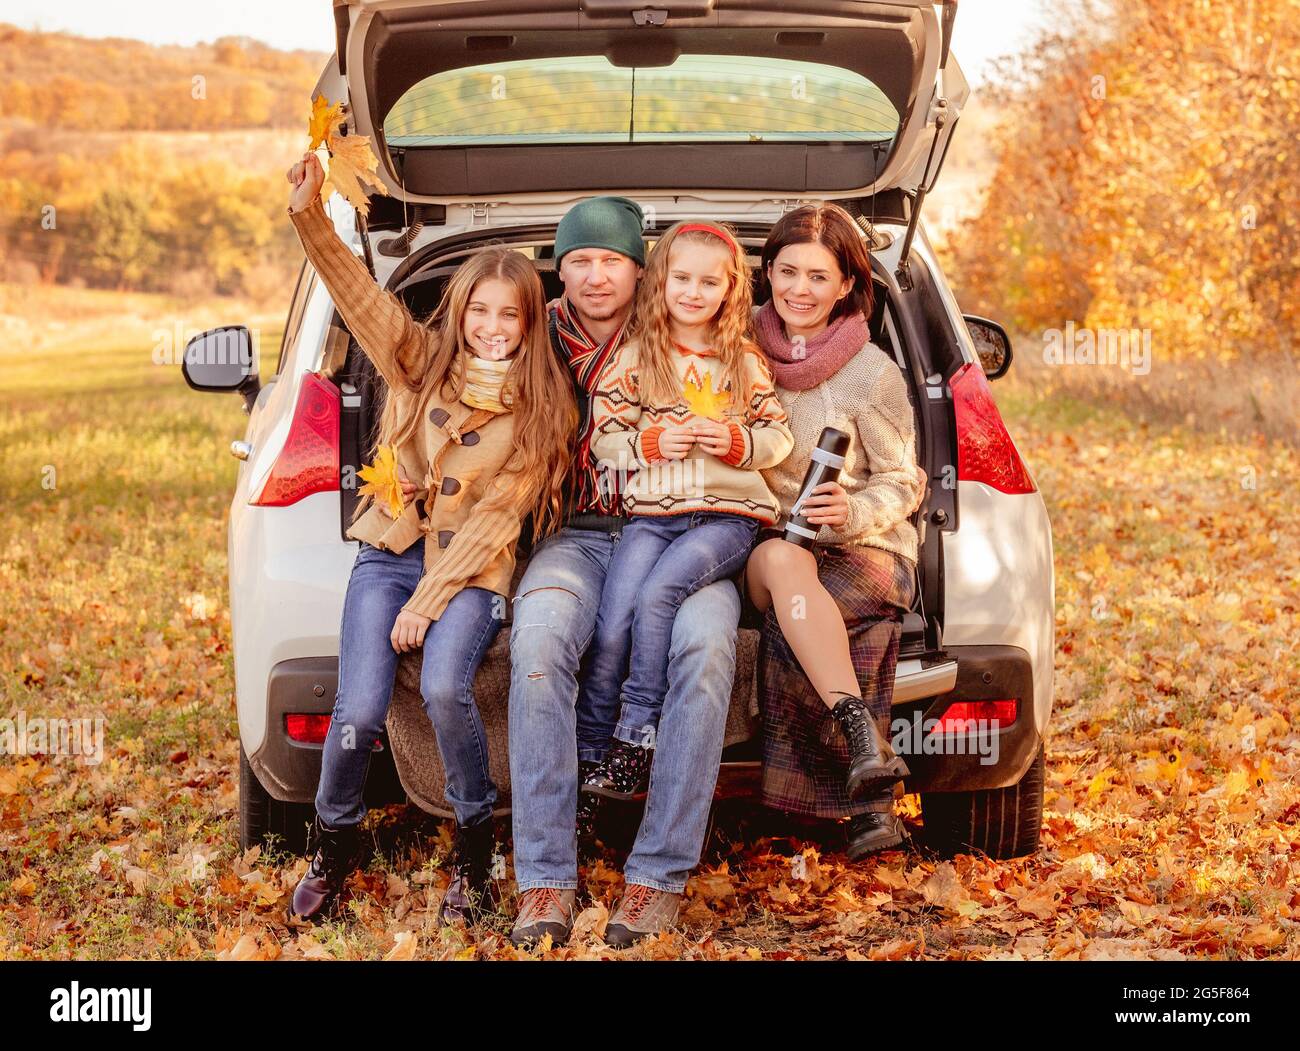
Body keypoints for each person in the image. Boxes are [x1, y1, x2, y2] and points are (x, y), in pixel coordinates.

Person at [282, 152, 577, 923]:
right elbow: (355, 293)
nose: (490, 326)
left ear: (529, 321)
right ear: (459, 308)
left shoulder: (544, 410)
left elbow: (495, 519)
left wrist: (428, 600)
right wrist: (311, 213)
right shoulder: (419, 360)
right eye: (479, 309)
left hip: (471, 570)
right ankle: (332, 843)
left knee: (448, 685)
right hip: (391, 552)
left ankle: (475, 851)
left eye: (508, 313)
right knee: (359, 706)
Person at [505, 198, 743, 950]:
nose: (595, 275)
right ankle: (544, 870)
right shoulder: (528, 333)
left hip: (684, 534)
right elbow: (428, 356)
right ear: (559, 268)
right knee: (539, 642)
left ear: (642, 270)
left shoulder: (689, 327)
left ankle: (658, 874)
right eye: (579, 259)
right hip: (575, 536)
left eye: (612, 260)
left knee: (706, 651)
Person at [578, 220, 793, 803]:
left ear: (731, 290)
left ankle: (636, 738)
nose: (693, 293)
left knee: (659, 595)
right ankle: (593, 755)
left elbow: (778, 438)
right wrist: (650, 445)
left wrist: (734, 440)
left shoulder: (744, 362)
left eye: (709, 282)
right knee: (614, 617)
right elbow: (605, 438)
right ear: (660, 282)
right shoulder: (634, 359)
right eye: (682, 279)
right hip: (654, 514)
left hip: (728, 518)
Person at [744, 203, 927, 860]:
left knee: (828, 612)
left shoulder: (870, 370)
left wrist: (849, 513)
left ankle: (861, 785)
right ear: (767, 272)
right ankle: (865, 790)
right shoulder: (737, 352)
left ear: (847, 284)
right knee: (791, 588)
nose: (799, 289)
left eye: (819, 276)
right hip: (767, 543)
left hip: (862, 541)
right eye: (788, 271)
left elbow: (905, 480)